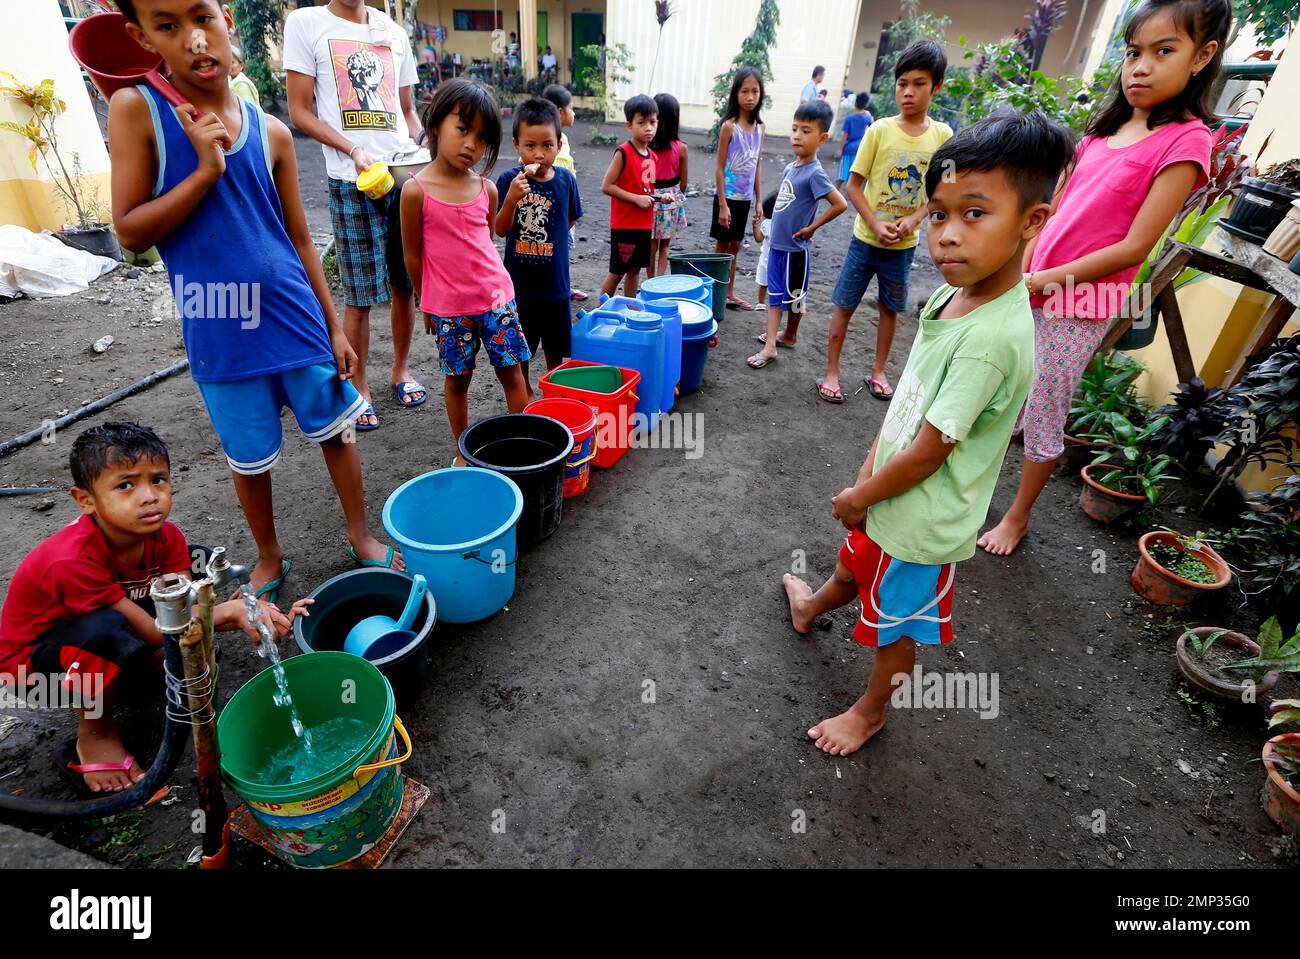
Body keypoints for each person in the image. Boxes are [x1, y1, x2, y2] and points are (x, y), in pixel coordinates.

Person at [783, 110, 1075, 757]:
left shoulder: (991, 339)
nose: (945, 235)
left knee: (895, 625)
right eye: (937, 213)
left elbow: (929, 452)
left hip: (920, 524)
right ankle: (810, 608)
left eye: (974, 214)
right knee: (854, 563)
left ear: (1032, 221)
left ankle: (871, 710)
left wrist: (862, 496)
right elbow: (912, 404)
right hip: (888, 492)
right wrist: (867, 471)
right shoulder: (952, 297)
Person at [109, 0, 404, 593]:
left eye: (202, 19)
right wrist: (203, 171)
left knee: (338, 430)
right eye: (167, 26)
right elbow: (130, 230)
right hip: (218, 325)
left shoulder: (271, 131)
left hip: (296, 315)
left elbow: (299, 237)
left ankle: (360, 534)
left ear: (228, 21)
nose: (193, 40)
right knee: (249, 458)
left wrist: (335, 326)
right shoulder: (135, 110)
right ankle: (269, 555)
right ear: (141, 38)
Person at [978, 0, 1225, 556]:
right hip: (1033, 285)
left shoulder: (1187, 142)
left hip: (1078, 302)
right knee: (997, 390)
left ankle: (1017, 518)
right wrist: (1023, 269)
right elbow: (1054, 209)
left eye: (1164, 52)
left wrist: (1046, 281)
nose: (1140, 67)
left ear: (1202, 57)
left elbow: (1135, 247)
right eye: (1134, 52)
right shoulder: (1100, 132)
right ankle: (975, 487)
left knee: (1044, 408)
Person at [0, 424, 311, 793]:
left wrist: (247, 606)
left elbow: (178, 610)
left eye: (158, 480)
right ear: (85, 500)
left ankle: (132, 672)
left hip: (96, 645)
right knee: (105, 629)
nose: (149, 497)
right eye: (125, 485)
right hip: (36, 674)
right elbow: (153, 630)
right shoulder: (71, 560)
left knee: (200, 564)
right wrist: (229, 614)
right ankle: (94, 735)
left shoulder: (166, 538)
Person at [284, 0, 426, 433]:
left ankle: (400, 372)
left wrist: (425, 149)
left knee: (405, 282)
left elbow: (407, 111)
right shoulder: (306, 23)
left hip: (402, 174)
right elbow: (300, 111)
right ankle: (360, 388)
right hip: (351, 178)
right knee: (359, 292)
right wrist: (351, 149)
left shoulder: (393, 32)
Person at [400, 79, 530, 461]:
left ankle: (525, 443)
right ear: (436, 123)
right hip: (450, 311)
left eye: (482, 137)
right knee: (458, 381)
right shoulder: (415, 192)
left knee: (513, 374)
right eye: (462, 129)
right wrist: (425, 301)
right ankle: (463, 451)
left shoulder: (486, 189)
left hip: (495, 301)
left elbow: (486, 244)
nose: (471, 144)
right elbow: (413, 255)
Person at [816, 40, 952, 404]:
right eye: (902, 83)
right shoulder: (878, 131)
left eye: (919, 83)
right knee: (844, 304)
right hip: (866, 241)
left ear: (936, 86)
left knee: (890, 309)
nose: (907, 92)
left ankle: (878, 370)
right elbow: (853, 185)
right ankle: (831, 370)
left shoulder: (943, 137)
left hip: (902, 248)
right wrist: (875, 224)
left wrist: (915, 219)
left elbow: (946, 191)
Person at [747, 100, 848, 368]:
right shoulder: (791, 167)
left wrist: (812, 228)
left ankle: (790, 335)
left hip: (796, 251)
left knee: (794, 300)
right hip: (777, 247)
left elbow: (840, 204)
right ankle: (771, 345)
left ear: (822, 138)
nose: (797, 135)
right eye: (794, 129)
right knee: (775, 296)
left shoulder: (815, 173)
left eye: (806, 130)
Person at [494, 98, 583, 399]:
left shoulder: (566, 181)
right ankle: (526, 392)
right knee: (522, 347)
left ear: (559, 144)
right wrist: (511, 199)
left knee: (555, 348)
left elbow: (569, 219)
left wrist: (550, 243)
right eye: (530, 146)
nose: (539, 154)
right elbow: (500, 228)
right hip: (520, 289)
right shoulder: (509, 180)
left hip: (556, 287)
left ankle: (553, 390)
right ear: (517, 145)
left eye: (547, 145)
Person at [599, 94, 669, 299]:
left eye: (652, 122)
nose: (648, 128)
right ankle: (600, 310)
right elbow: (607, 186)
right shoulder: (623, 152)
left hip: (644, 224)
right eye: (642, 122)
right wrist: (636, 199)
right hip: (625, 225)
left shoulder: (652, 156)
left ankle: (630, 310)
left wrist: (659, 197)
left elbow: (645, 190)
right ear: (629, 126)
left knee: (635, 270)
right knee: (617, 271)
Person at [712, 67, 765, 310]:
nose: (750, 96)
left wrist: (759, 201)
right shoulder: (729, 127)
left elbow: (757, 165)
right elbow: (720, 168)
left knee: (735, 246)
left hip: (744, 199)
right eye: (745, 91)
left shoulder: (760, 128)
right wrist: (723, 205)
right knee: (722, 246)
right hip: (728, 198)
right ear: (736, 93)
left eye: (755, 91)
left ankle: (729, 293)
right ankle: (714, 292)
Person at [543, 82, 588, 301]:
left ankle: (563, 286)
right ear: (560, 111)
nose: (574, 113)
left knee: (562, 250)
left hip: (566, 206)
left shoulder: (564, 139)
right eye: (571, 108)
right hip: (556, 207)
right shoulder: (551, 142)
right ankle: (556, 288)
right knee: (555, 249)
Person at [649, 92, 689, 278]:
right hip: (670, 199)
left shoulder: (646, 146)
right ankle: (659, 281)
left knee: (651, 246)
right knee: (665, 245)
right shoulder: (681, 147)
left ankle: (649, 282)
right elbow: (684, 182)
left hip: (650, 198)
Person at [835, 92, 874, 191]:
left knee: (842, 172)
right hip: (860, 149)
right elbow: (872, 129)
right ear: (866, 105)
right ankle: (852, 193)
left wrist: (840, 149)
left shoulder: (850, 118)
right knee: (855, 173)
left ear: (855, 104)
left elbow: (845, 135)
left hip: (848, 149)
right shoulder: (867, 117)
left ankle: (836, 191)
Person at [753, 191, 777, 310]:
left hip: (775, 259)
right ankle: (761, 302)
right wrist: (755, 227)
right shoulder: (766, 223)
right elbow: (759, 238)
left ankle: (773, 302)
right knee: (763, 283)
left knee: (774, 283)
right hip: (765, 259)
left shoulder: (781, 223)